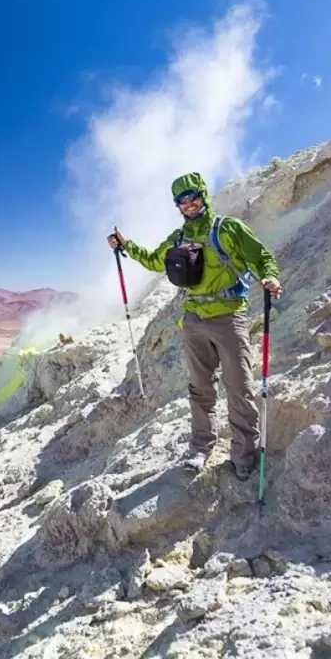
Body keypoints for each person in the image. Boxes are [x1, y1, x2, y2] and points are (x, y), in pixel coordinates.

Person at [107, 171, 282, 481]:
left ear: (203, 195)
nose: (188, 204)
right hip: (193, 320)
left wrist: (270, 277)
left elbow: (261, 257)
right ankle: (200, 448)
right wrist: (126, 246)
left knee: (239, 388)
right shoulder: (178, 238)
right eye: (181, 201)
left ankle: (244, 454)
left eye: (193, 197)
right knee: (200, 388)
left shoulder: (228, 228)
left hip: (229, 318)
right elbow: (153, 261)